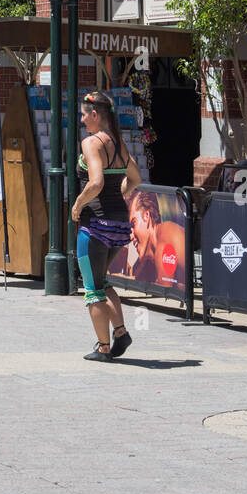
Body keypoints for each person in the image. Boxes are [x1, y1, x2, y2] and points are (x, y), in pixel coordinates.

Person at [71, 90, 142, 362]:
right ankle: (121, 333)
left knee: (92, 289)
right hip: (118, 224)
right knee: (102, 281)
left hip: (95, 225)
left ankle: (102, 347)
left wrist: (78, 205)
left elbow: (96, 182)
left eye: (84, 114)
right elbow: (134, 177)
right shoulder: (118, 143)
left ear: (96, 115)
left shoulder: (92, 142)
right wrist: (119, 195)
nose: (82, 119)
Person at [127, 188, 186, 286]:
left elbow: (164, 291)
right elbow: (139, 279)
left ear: (146, 215)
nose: (131, 236)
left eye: (133, 224)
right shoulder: (152, 249)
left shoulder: (164, 238)